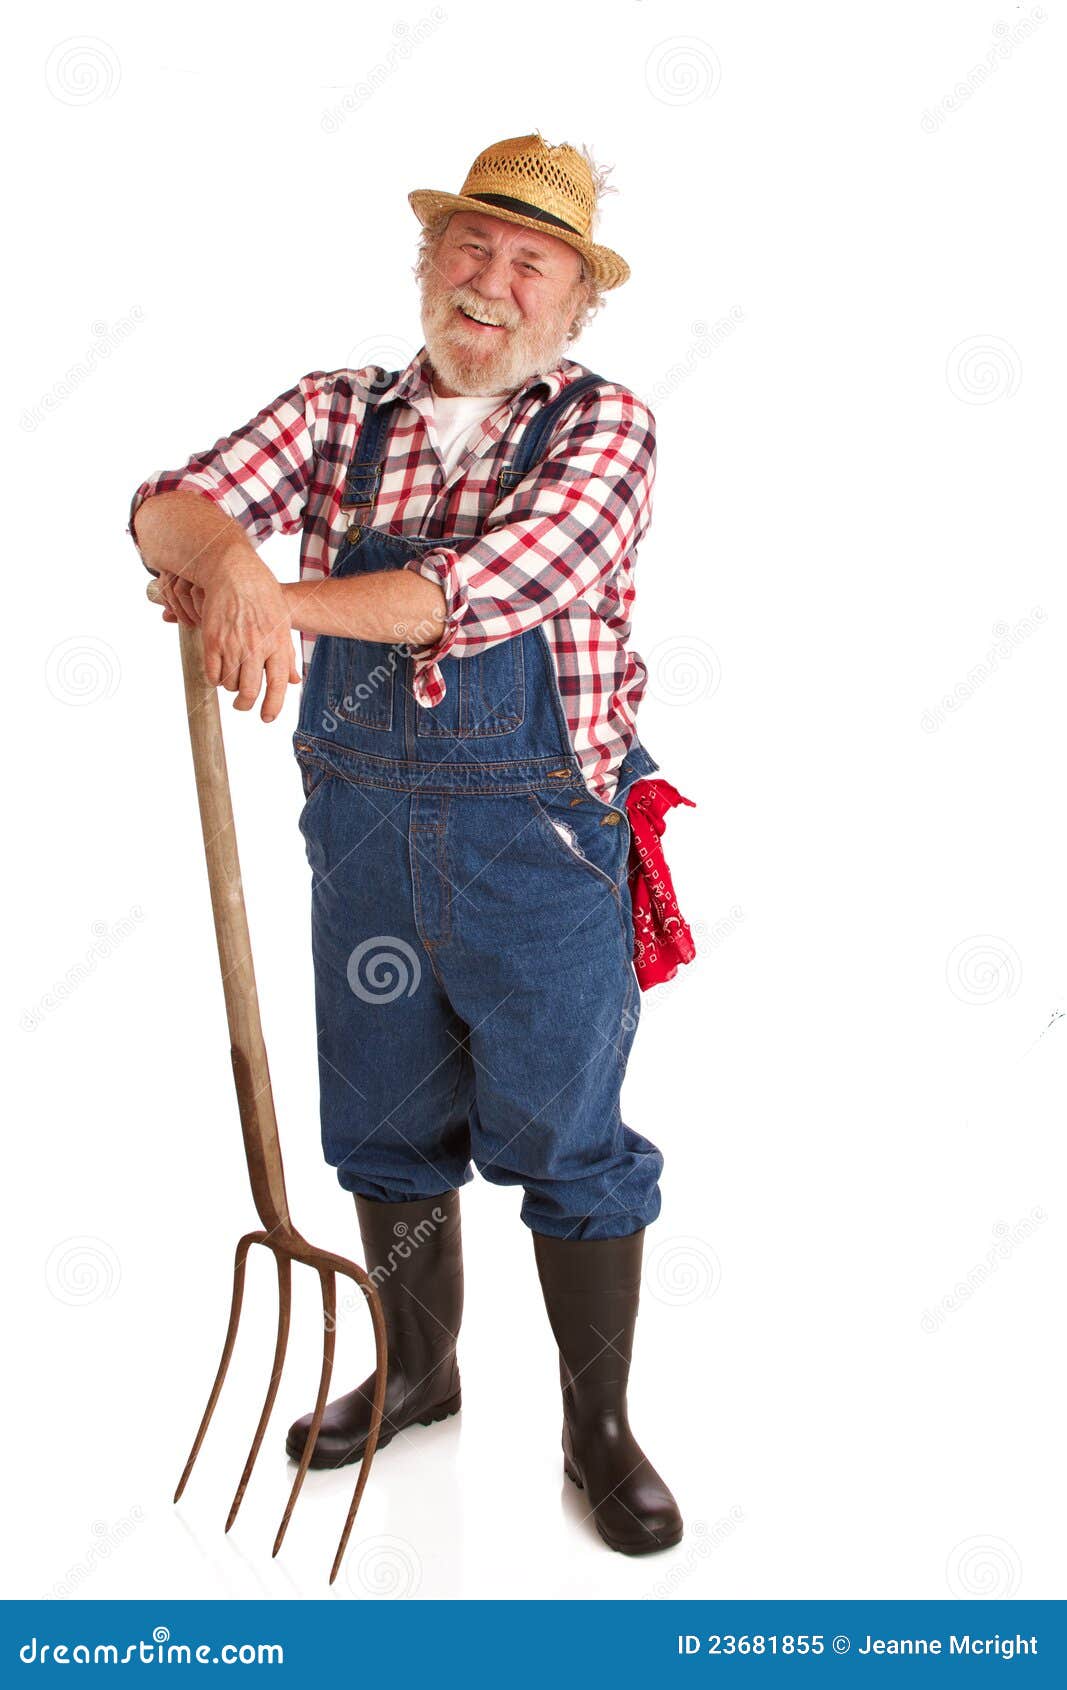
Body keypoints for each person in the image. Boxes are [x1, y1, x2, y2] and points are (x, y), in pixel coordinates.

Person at [128, 132, 687, 1555]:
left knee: (567, 1133)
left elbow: (479, 590)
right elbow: (166, 506)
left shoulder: (604, 427)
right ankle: (422, 1367)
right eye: (471, 249)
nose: (492, 285)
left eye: (531, 264)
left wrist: (264, 602)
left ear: (573, 305)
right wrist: (230, 560)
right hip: (364, 830)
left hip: (539, 841)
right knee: (383, 1117)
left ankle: (596, 1424)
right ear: (430, 260)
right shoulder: (336, 406)